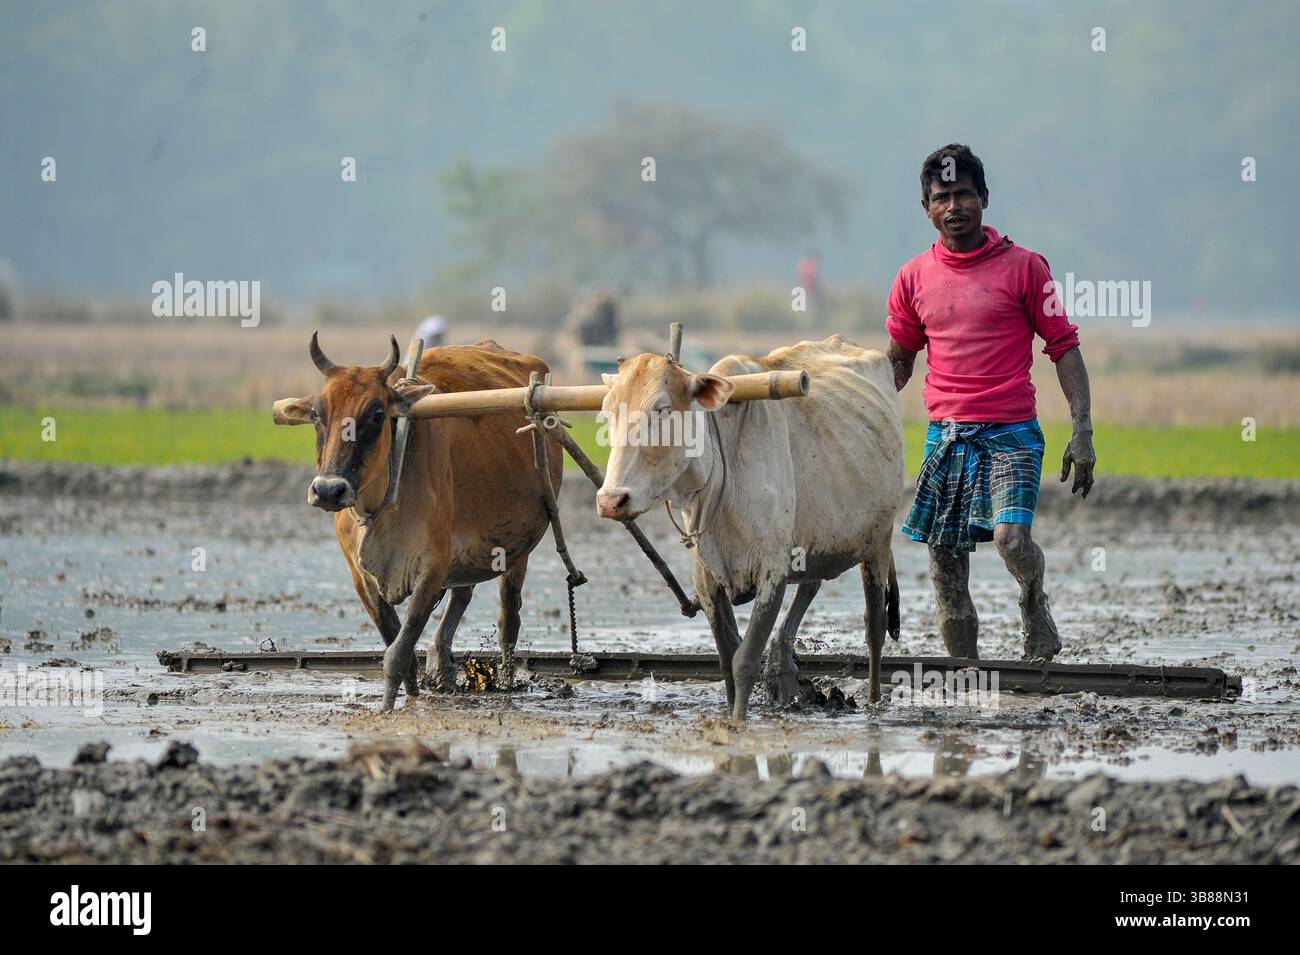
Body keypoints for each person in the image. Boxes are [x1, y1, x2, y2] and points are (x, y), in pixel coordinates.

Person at [886, 144, 1096, 662]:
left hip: (1011, 432)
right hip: (947, 435)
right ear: (927, 209)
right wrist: (846, 404)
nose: (954, 206)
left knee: (1011, 541)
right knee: (946, 566)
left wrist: (1083, 429)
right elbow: (898, 361)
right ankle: (964, 676)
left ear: (984, 198)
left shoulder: (1026, 268)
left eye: (963, 195)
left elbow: (1064, 347)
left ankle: (1032, 603)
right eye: (942, 198)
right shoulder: (913, 277)